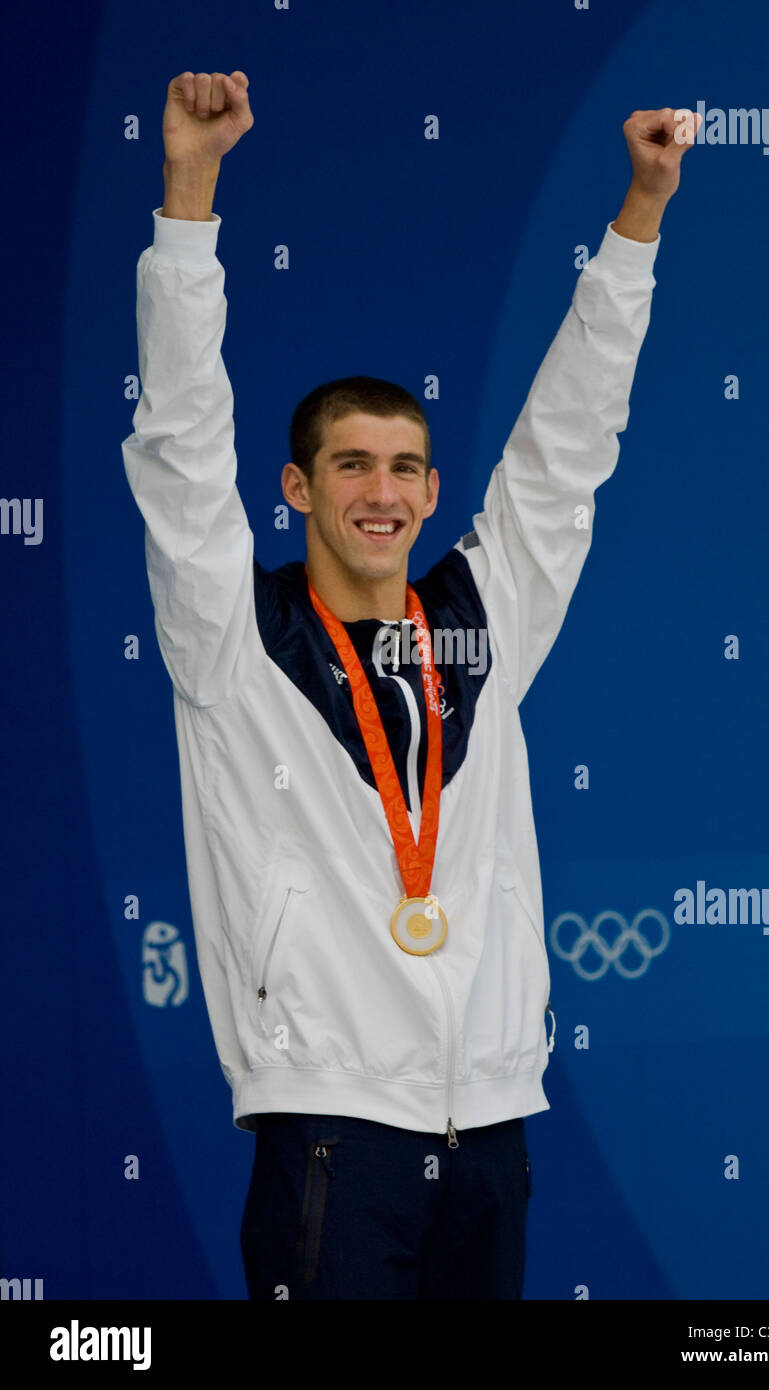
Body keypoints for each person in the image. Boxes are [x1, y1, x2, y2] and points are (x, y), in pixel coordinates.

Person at [122, 69, 696, 1301]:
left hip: (490, 1132)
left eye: (404, 468)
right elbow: (177, 444)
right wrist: (190, 192)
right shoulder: (235, 633)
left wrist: (639, 213)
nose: (380, 492)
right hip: (330, 1134)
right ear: (298, 489)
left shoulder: (478, 620)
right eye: (349, 466)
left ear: (433, 494)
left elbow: (563, 454)